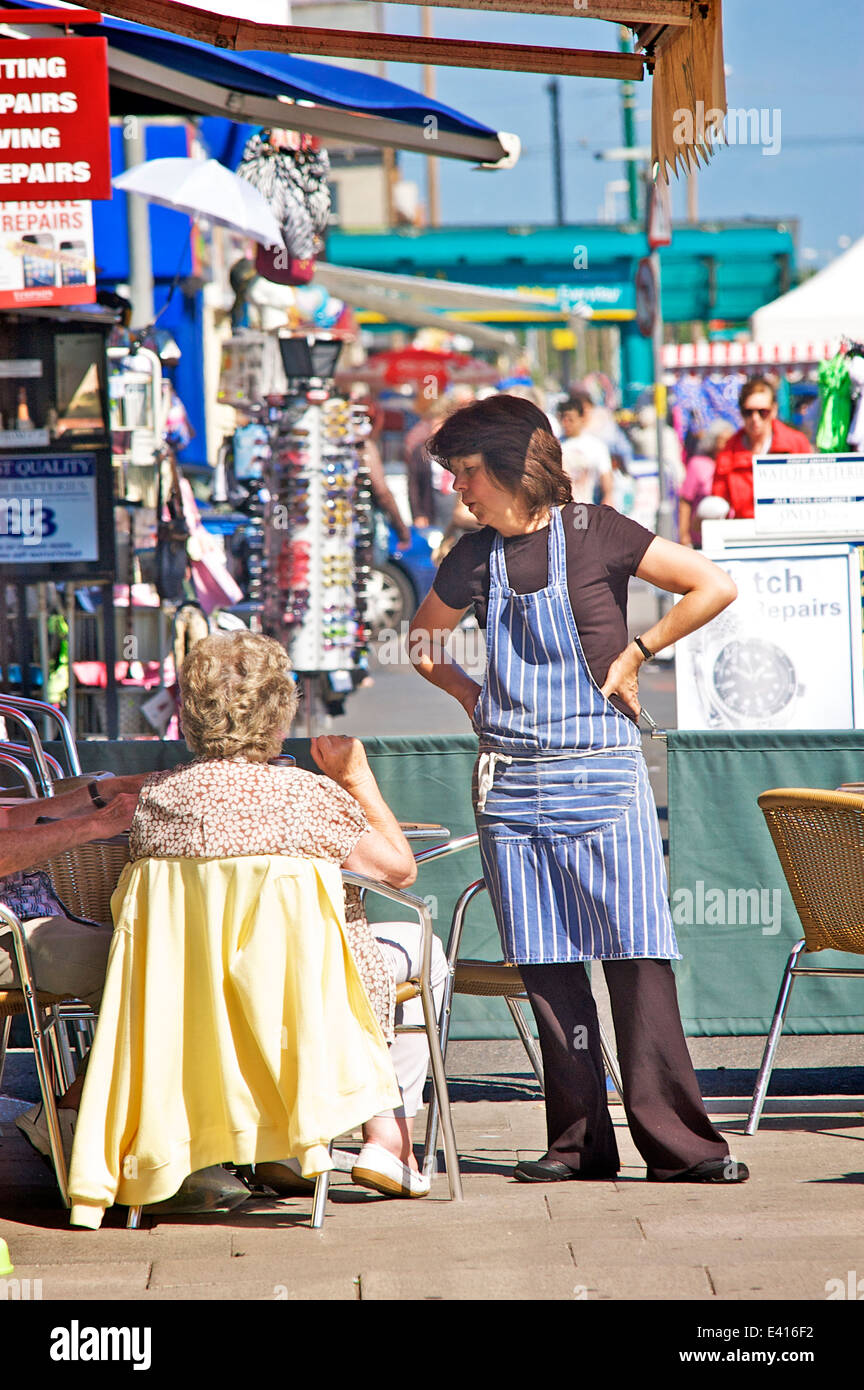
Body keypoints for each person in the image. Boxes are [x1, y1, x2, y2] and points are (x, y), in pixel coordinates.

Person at [407, 394, 749, 1185]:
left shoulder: (596, 533)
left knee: (637, 959)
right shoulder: (472, 556)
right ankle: (578, 1146)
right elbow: (424, 643)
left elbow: (712, 584)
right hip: (512, 788)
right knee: (548, 969)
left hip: (602, 775)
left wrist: (638, 653)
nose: (459, 490)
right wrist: (473, 699)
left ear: (510, 467)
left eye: (466, 473)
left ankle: (682, 1148)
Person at [129, 630, 447, 1200]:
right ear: (277, 711)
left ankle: (275, 1144)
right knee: (426, 949)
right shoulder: (306, 797)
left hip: (195, 993)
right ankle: (387, 1137)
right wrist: (356, 778)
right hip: (307, 990)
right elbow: (399, 871)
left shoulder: (156, 800)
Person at [4, 775, 146, 1155]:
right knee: (148, 965)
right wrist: (100, 822)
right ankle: (74, 1121)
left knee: (163, 954)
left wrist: (105, 793)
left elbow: (8, 820)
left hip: (25, 916)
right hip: (11, 928)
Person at [711, 376, 812, 520]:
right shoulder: (728, 453)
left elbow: (812, 492)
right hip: (746, 533)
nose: (755, 418)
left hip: (791, 527)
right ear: (741, 412)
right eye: (748, 412)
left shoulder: (796, 443)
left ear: (774, 410)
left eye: (762, 412)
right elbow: (719, 503)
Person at [678, 420, 735, 547]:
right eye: (723, 440)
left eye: (730, 440)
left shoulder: (734, 464)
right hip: (701, 539)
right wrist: (683, 535)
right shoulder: (697, 464)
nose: (727, 444)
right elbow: (685, 501)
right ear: (713, 441)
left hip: (729, 537)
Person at [558, 391, 614, 505]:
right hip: (563, 508)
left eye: (571, 419)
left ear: (581, 418)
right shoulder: (555, 445)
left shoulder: (596, 446)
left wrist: (608, 497)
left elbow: (606, 476)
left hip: (587, 506)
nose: (566, 423)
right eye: (564, 419)